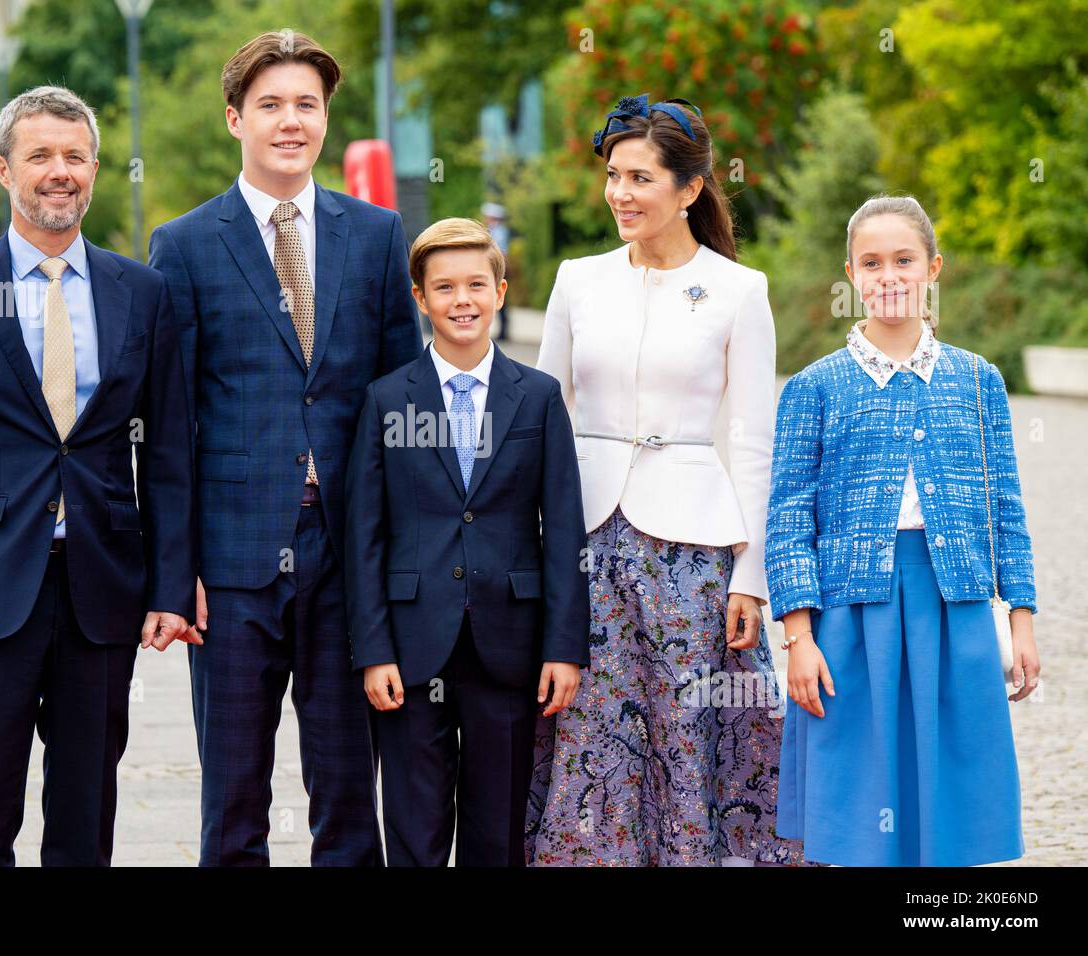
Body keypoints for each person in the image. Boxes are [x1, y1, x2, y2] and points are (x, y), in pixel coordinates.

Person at [0, 86, 196, 866]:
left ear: (95, 169)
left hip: (103, 588)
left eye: (75, 156)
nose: (60, 172)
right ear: (3, 169)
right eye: (40, 156)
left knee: (87, 812)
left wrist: (167, 587)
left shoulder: (143, 294)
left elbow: (165, 454)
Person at [148, 30, 421, 867]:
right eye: (271, 105)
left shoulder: (374, 236)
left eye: (307, 105)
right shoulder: (184, 244)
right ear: (235, 119)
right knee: (233, 794)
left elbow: (402, 404)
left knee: (347, 789)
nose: (290, 121)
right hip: (230, 565)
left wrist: (403, 559)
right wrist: (174, 570)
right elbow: (166, 424)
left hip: (346, 557)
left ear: (327, 119)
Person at [528, 94, 805, 866]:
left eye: (641, 177)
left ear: (689, 189)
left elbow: (753, 443)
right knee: (588, 729)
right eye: (613, 175)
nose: (620, 193)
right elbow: (539, 421)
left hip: (692, 554)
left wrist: (751, 578)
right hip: (583, 542)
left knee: (684, 731)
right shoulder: (577, 279)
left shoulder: (739, 291)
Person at [766, 194, 1040, 866]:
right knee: (860, 795)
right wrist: (799, 636)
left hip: (957, 610)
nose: (888, 275)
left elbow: (1006, 504)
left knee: (952, 790)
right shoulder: (815, 387)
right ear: (851, 276)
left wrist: (1023, 619)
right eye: (871, 262)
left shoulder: (980, 382)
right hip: (853, 616)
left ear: (933, 268)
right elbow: (786, 517)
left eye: (903, 260)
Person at [344, 218, 590, 866]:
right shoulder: (387, 399)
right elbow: (364, 535)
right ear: (420, 298)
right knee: (415, 831)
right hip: (410, 647)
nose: (462, 300)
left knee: (498, 832)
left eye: (476, 285)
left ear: (501, 292)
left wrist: (564, 649)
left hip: (509, 648)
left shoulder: (537, 399)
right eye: (444, 287)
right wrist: (373, 650)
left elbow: (563, 530)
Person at [480, 202, 511, 342]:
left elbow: (497, 251)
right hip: (498, 266)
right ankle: (503, 331)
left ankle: (504, 331)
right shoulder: (495, 230)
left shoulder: (498, 231)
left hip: (499, 267)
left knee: (501, 298)